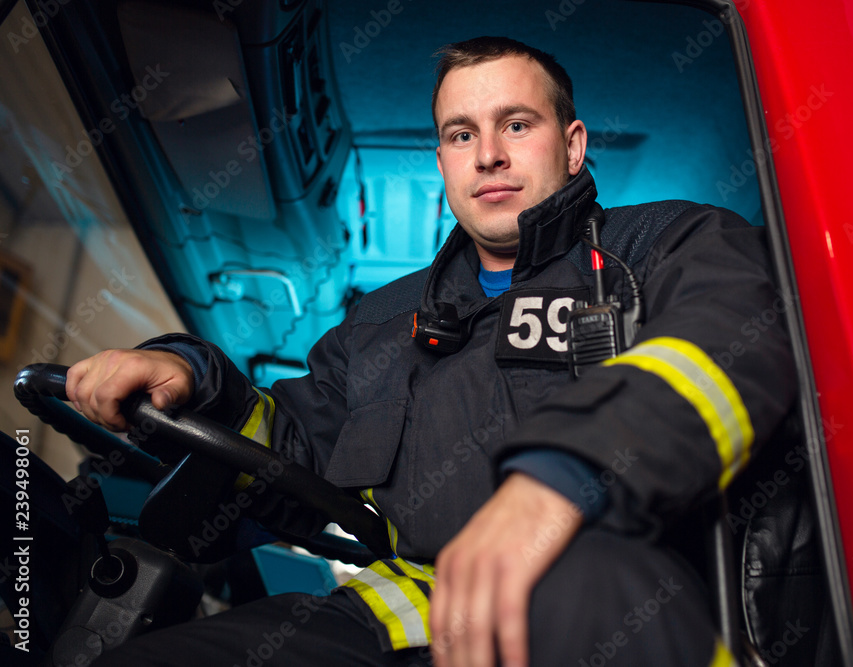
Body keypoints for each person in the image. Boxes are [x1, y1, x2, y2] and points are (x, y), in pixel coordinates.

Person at [68, 36, 796, 666]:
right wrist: (193, 379)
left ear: (572, 145)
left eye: (517, 123)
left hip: (616, 590)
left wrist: (564, 478)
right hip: (411, 611)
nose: (489, 155)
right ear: (442, 161)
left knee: (579, 588)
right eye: (460, 134)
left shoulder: (668, 242)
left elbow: (731, 339)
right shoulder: (379, 323)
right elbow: (290, 448)